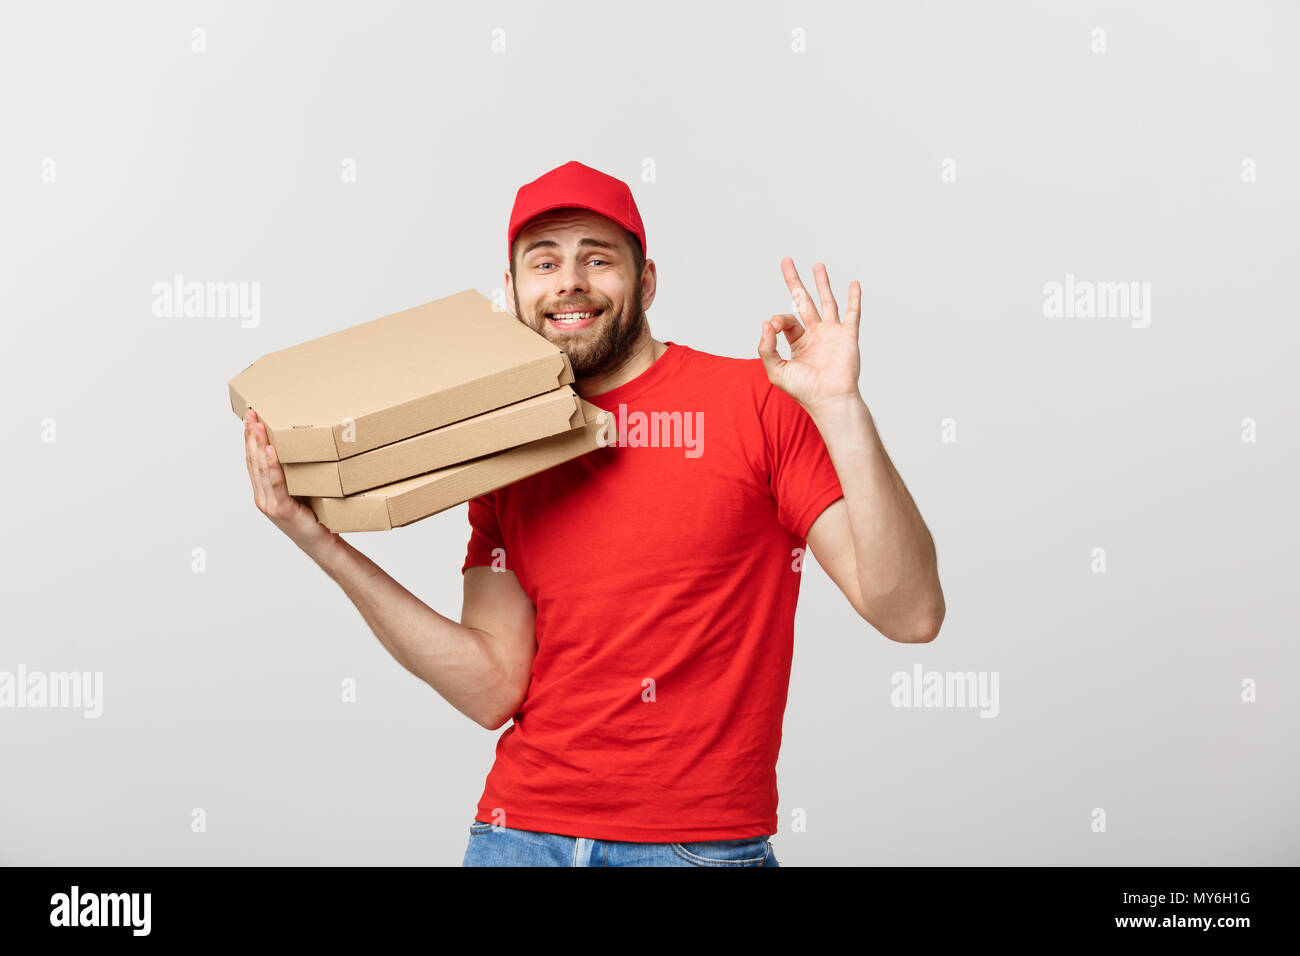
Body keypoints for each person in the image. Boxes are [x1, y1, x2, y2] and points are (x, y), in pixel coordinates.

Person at [242, 160, 945, 867]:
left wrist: (842, 411)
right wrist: (322, 544)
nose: (569, 281)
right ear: (513, 292)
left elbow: (909, 613)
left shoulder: (755, 402)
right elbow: (491, 687)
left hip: (690, 850)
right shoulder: (507, 452)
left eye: (597, 258)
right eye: (543, 262)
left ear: (646, 283)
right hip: (516, 838)